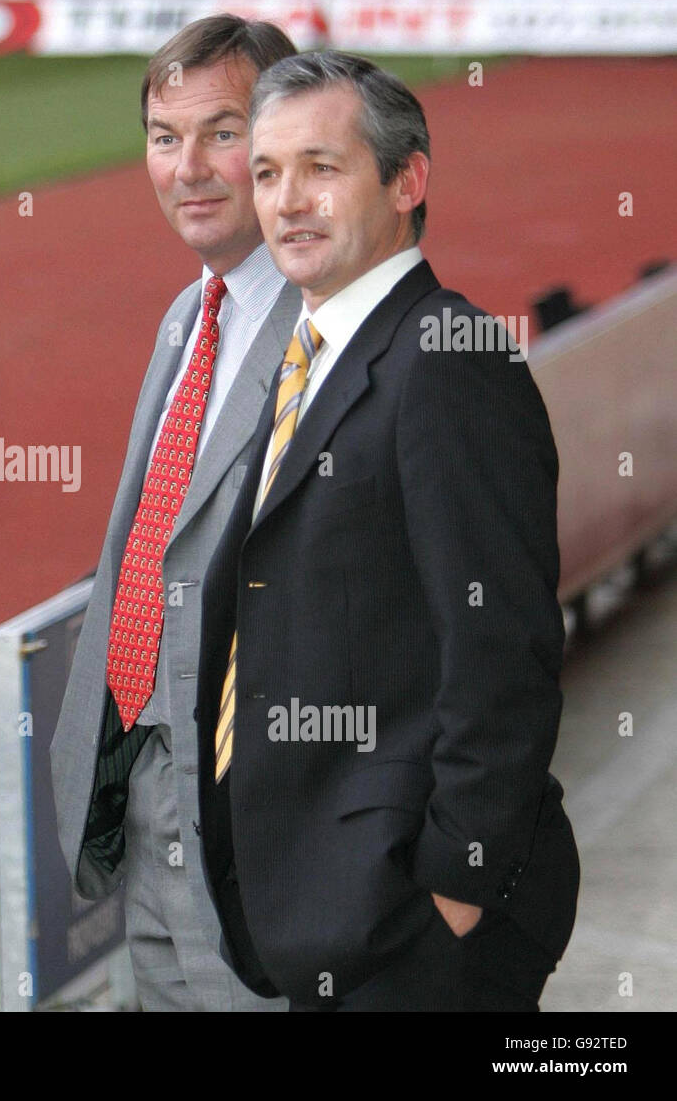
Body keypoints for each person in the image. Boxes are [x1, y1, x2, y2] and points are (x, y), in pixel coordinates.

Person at [195, 50, 579, 1011]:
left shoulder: (449, 358)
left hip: (409, 919)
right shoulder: (307, 357)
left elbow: (503, 645)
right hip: (319, 907)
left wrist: (453, 886)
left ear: (408, 181)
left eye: (322, 169)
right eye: (270, 174)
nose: (287, 203)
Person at [49, 15, 301, 1010]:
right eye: (163, 136)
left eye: (221, 132)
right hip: (150, 790)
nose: (187, 167)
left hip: (257, 816)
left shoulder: (327, 326)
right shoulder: (185, 316)